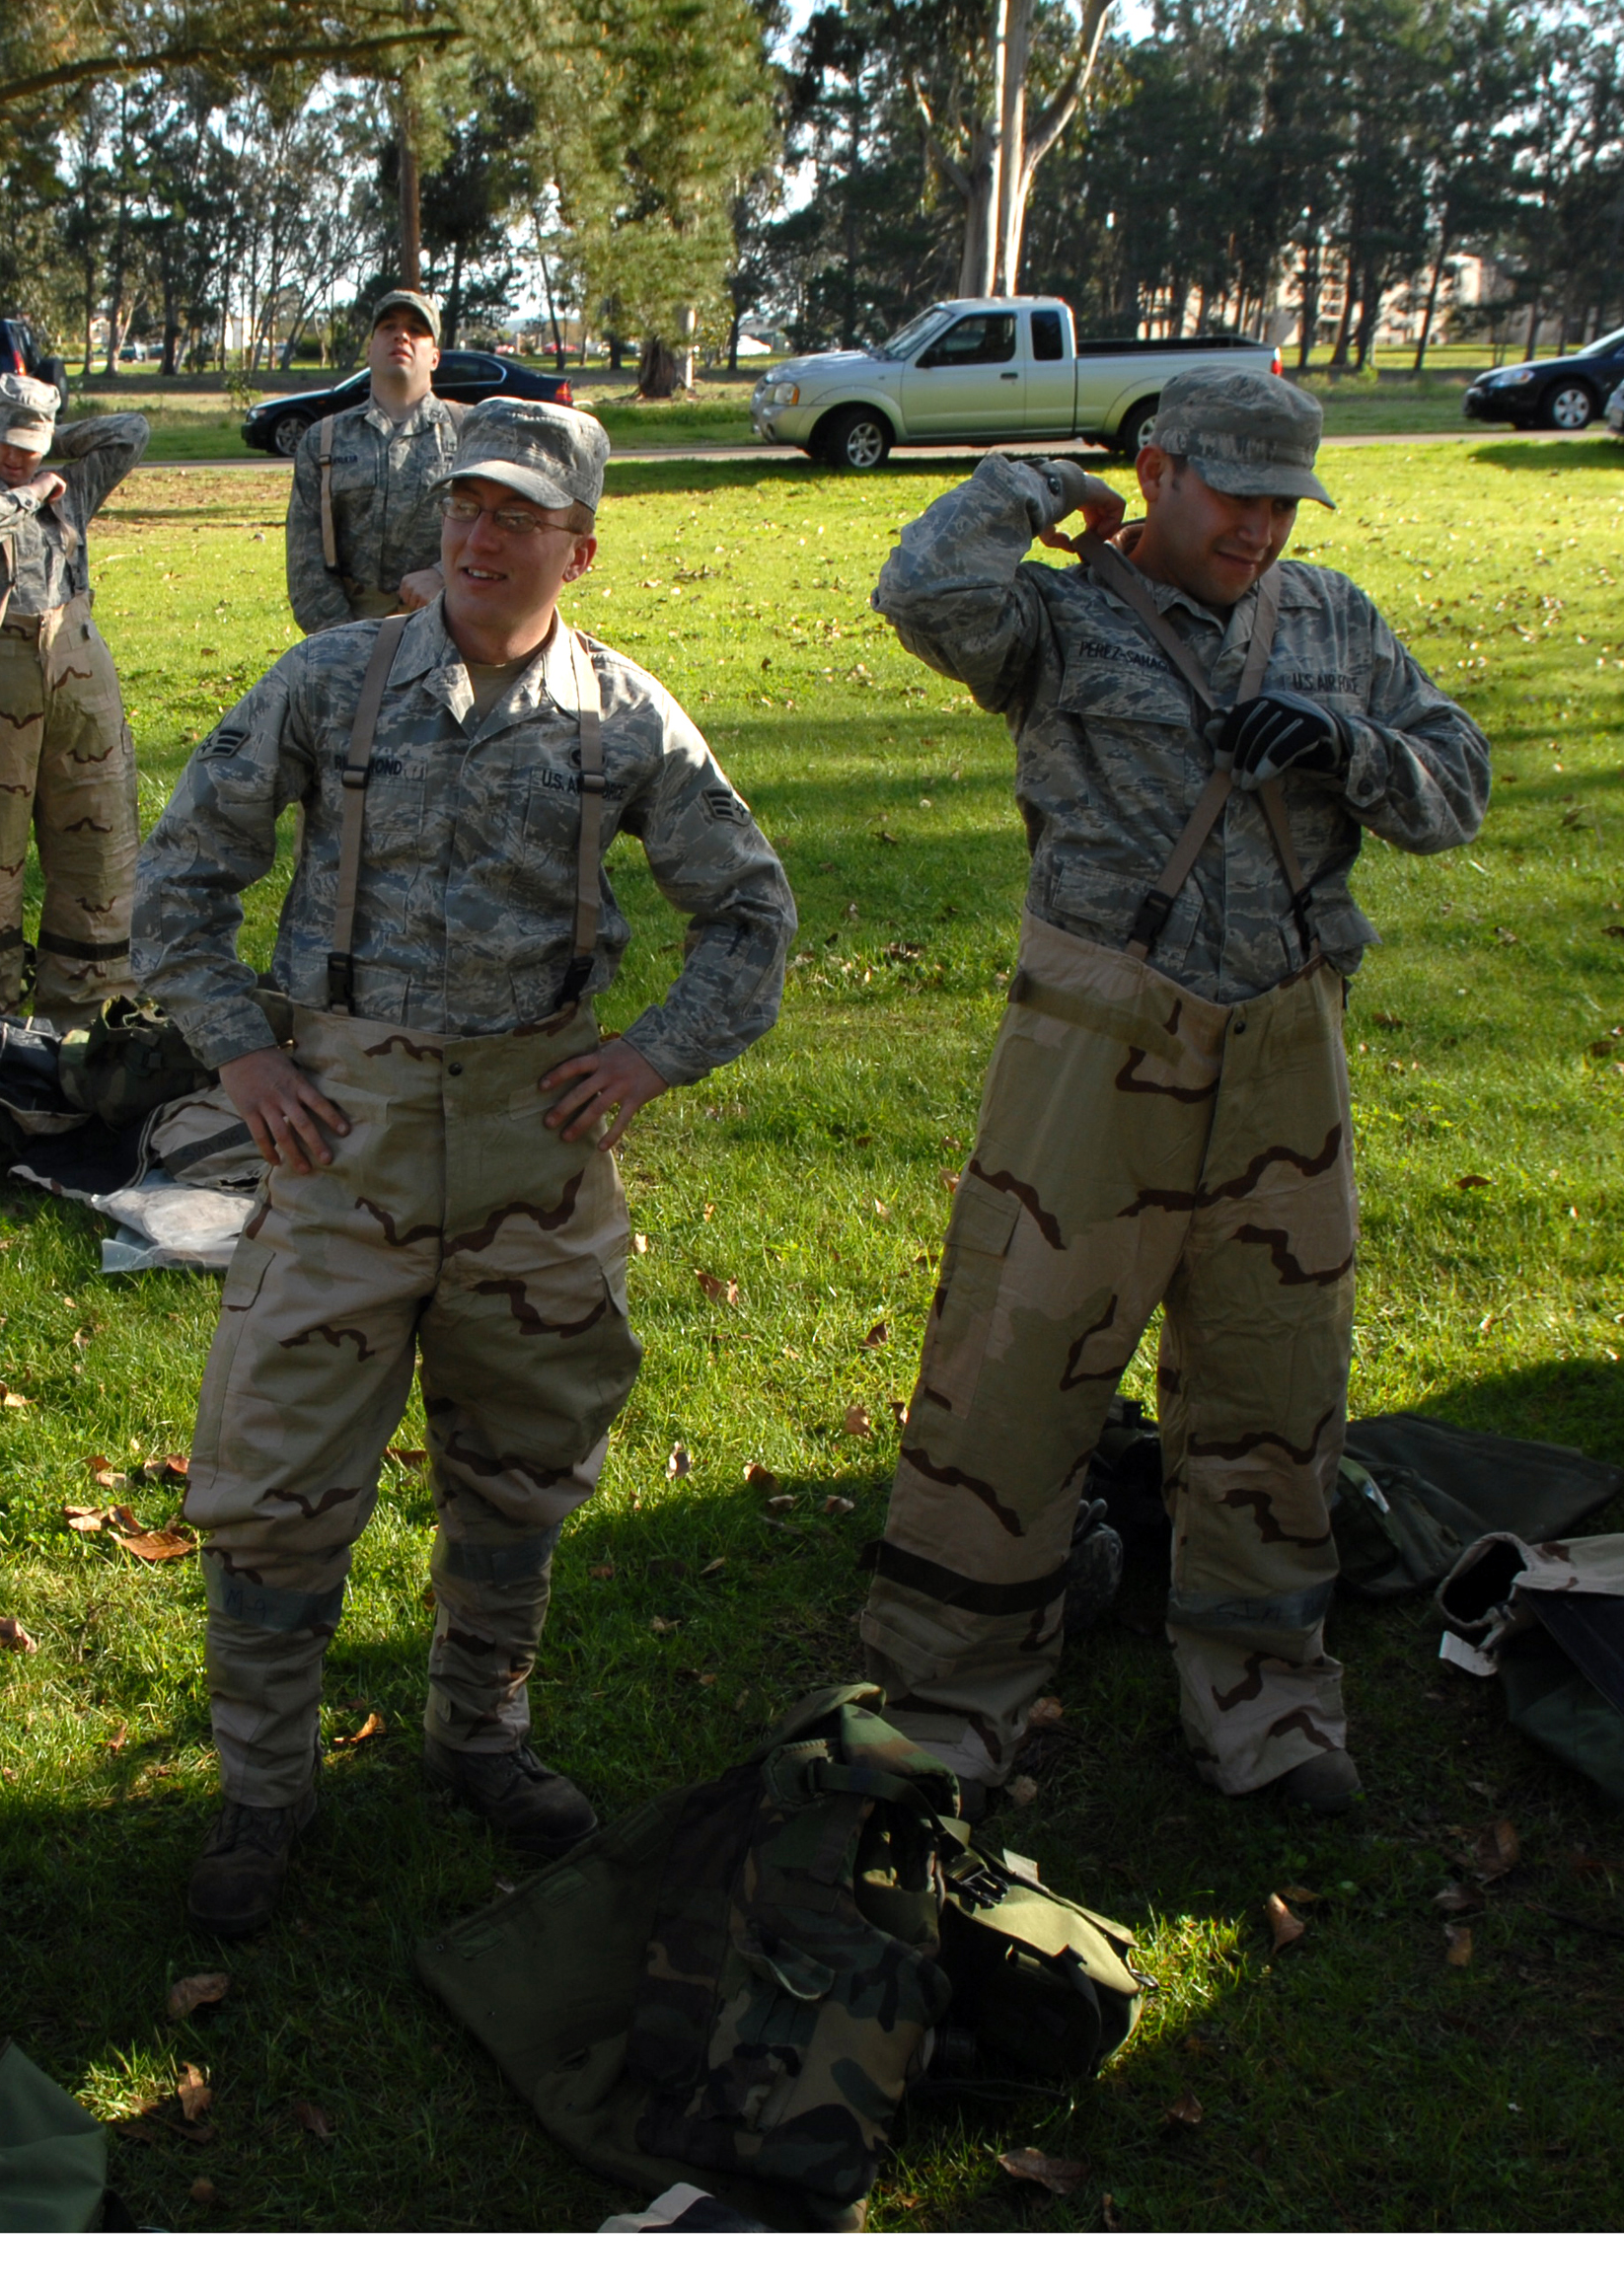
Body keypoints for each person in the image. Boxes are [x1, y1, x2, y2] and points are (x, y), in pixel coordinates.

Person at [134, 399, 797, 1938]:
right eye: (461, 509)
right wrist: (242, 1051)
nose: (479, 539)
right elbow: (178, 880)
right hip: (340, 1134)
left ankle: (479, 1731)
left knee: (521, 1475)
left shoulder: (625, 715)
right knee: (276, 1482)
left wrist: (647, 1058)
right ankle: (262, 1785)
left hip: (535, 1148)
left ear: (580, 544)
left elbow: (749, 918)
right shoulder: (329, 683)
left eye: (516, 517)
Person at [857, 366, 1490, 1817]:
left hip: (1286, 1041)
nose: (1264, 528)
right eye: (1239, 496)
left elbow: (1456, 784)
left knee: (1277, 1377)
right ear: (1160, 472)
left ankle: (1263, 1703)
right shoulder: (1058, 618)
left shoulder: (1332, 621)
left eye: (1286, 503)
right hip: (1098, 1038)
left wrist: (1349, 746)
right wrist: (1035, 489)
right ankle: (954, 1702)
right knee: (1015, 1372)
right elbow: (920, 588)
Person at [0, 373, 148, 1025]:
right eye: (7, 439)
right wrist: (33, 490)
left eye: (31, 443)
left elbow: (132, 433)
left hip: (77, 664)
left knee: (97, 838)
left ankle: (90, 1011)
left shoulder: (70, 480)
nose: (17, 456)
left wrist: (49, 437)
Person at [284, 288, 456, 634]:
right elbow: (306, 561)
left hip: (450, 629)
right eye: (388, 326)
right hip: (348, 631)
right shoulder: (323, 441)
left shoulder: (469, 433)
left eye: (416, 330)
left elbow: (498, 538)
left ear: (434, 356)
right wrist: (343, 640)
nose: (401, 335)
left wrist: (442, 576)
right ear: (370, 349)